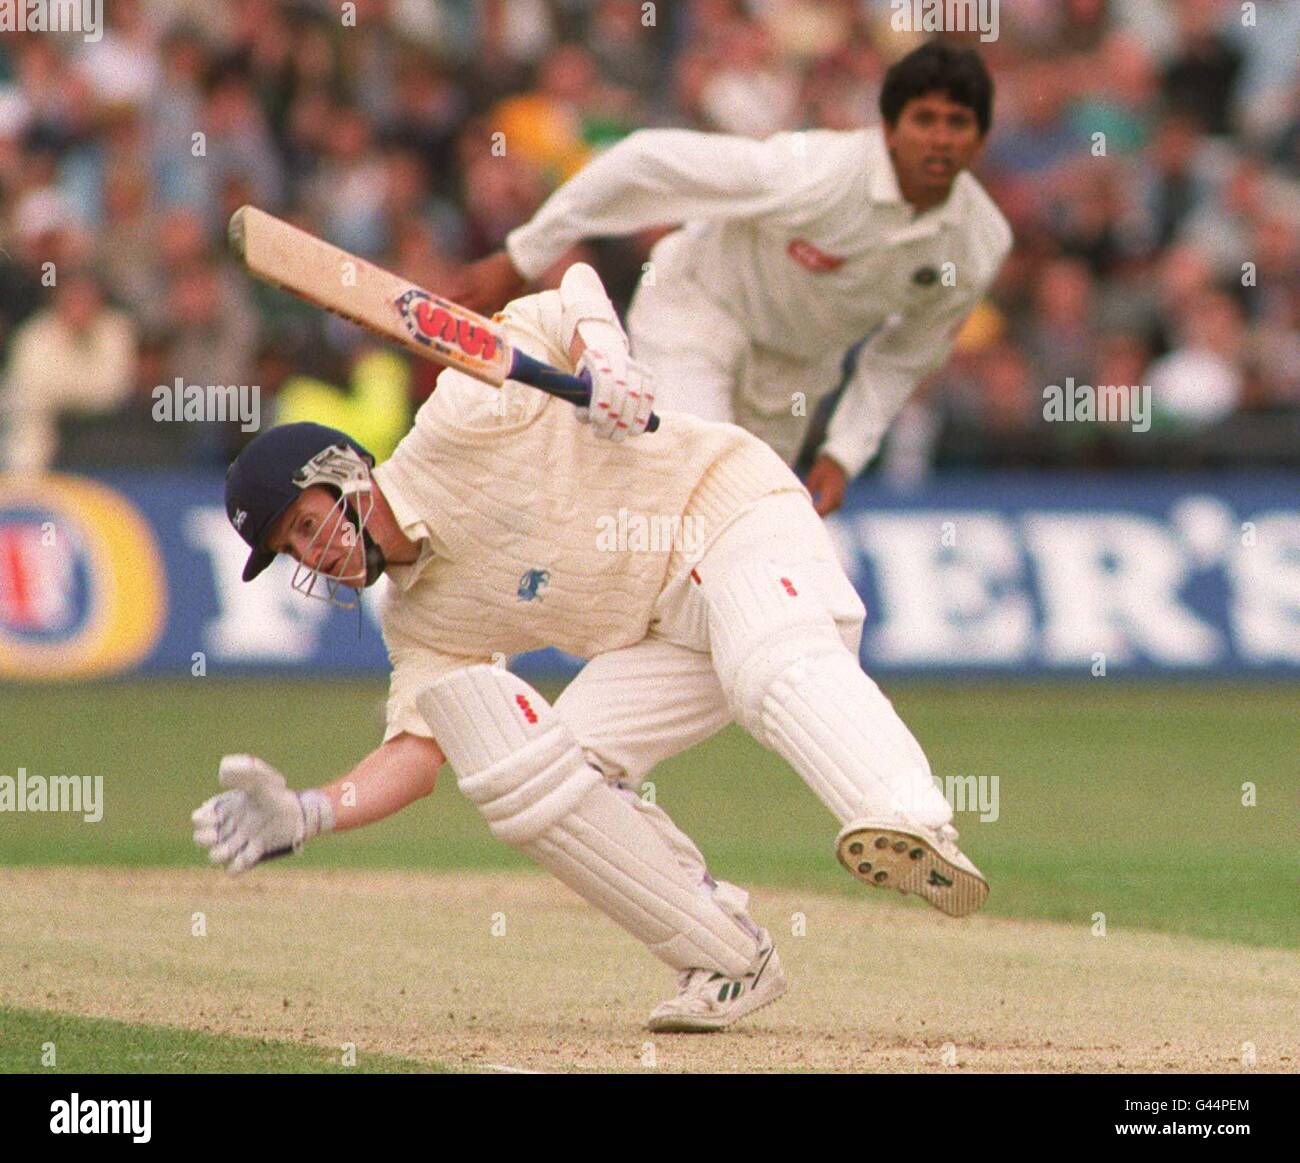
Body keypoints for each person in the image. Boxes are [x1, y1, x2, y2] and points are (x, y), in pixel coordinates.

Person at [194, 262, 987, 1033]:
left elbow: (565, 290)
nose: (313, 553)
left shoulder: (458, 420)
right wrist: (311, 812)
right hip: (665, 632)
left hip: (729, 511)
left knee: (762, 654)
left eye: (304, 524)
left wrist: (604, 356)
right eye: (292, 550)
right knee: (532, 776)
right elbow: (416, 749)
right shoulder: (419, 618)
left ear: (343, 474)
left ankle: (909, 820)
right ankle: (726, 957)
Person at [452, 40, 1012, 515]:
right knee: (701, 492)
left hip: (793, 379)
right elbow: (645, 162)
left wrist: (844, 450)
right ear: (889, 128)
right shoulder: (817, 172)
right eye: (924, 120)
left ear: (981, 140)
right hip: (699, 313)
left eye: (957, 123)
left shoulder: (979, 241)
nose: (940, 139)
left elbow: (905, 354)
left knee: (741, 534)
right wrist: (521, 257)